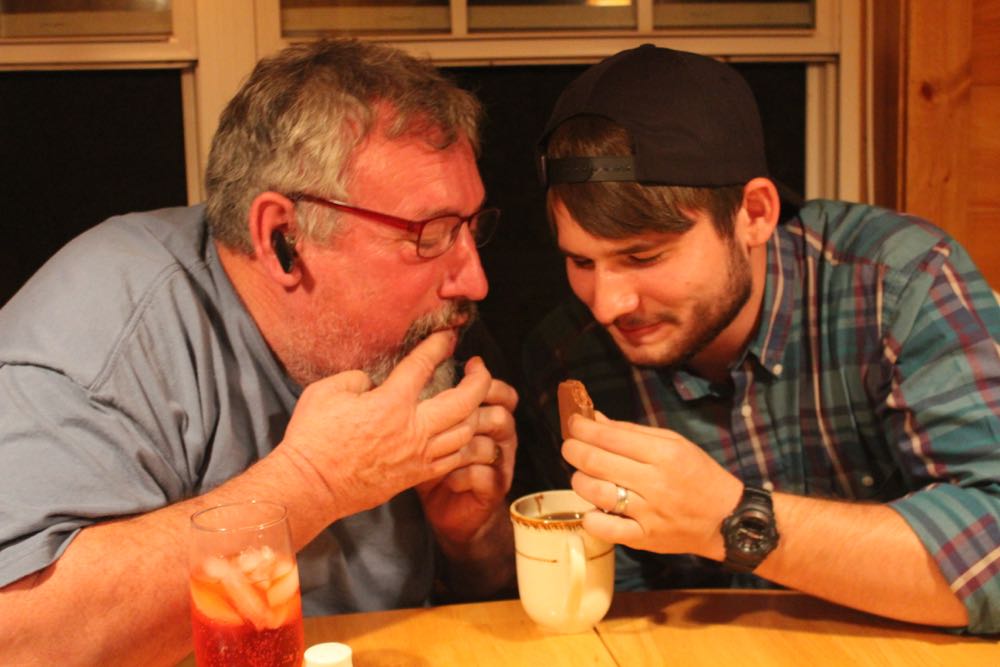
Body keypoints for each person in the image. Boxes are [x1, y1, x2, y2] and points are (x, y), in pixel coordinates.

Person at [0, 38, 518, 665]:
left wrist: (469, 540)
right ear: (282, 239)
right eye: (430, 235)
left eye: (469, 227)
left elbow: (465, 600)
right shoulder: (110, 331)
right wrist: (314, 483)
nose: (475, 279)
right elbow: (19, 637)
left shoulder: (423, 331)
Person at [521, 44, 1000, 634]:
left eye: (642, 256)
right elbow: (612, 609)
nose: (607, 304)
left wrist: (731, 518)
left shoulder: (899, 285)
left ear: (754, 213)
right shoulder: (571, 358)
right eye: (581, 262)